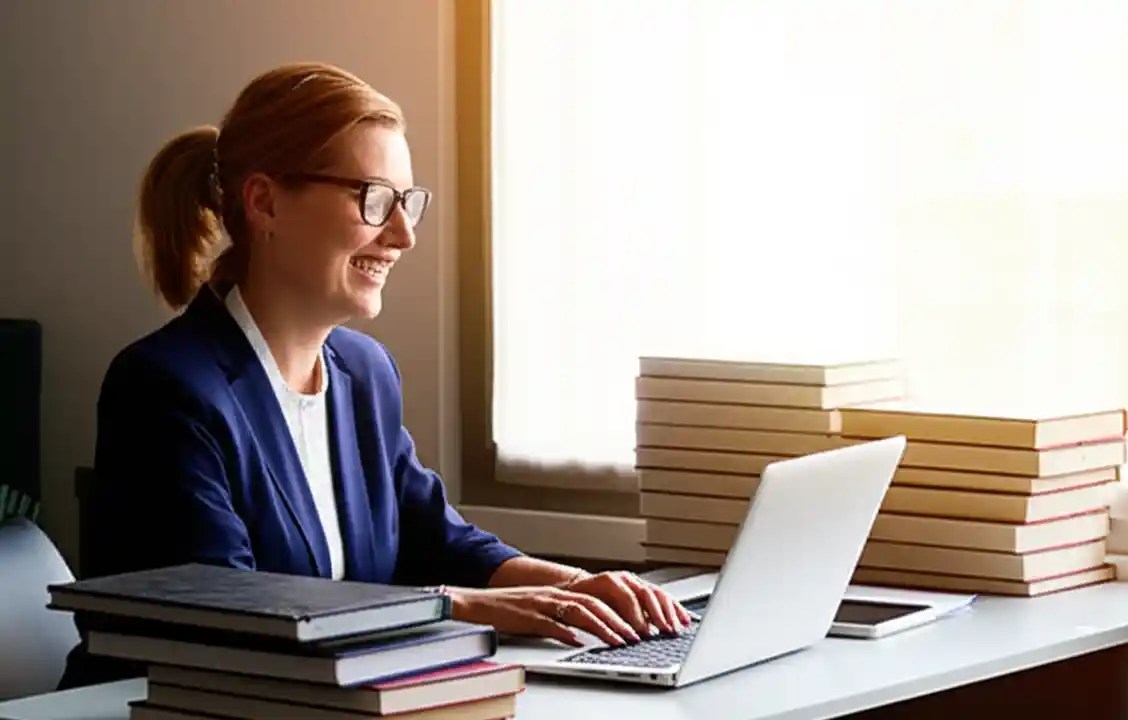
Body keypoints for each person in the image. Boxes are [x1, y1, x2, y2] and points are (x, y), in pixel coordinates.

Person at [60, 62, 690, 689]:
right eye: (375, 199)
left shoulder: (364, 374)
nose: (404, 234)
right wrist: (455, 606)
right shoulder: (164, 387)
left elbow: (437, 537)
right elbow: (234, 609)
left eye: (407, 201)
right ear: (265, 202)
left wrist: (580, 587)